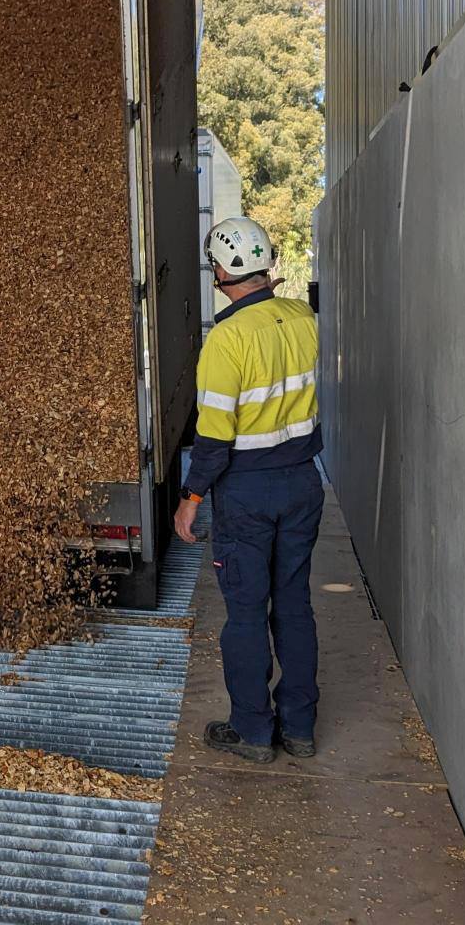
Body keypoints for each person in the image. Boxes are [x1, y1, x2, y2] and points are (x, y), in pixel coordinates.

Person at [175, 216, 324, 764]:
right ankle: (301, 728)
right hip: (303, 483)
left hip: (247, 493)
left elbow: (214, 436)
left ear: (219, 271)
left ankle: (253, 732)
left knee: (244, 614)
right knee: (294, 606)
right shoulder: (302, 317)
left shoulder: (227, 340)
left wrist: (191, 499)